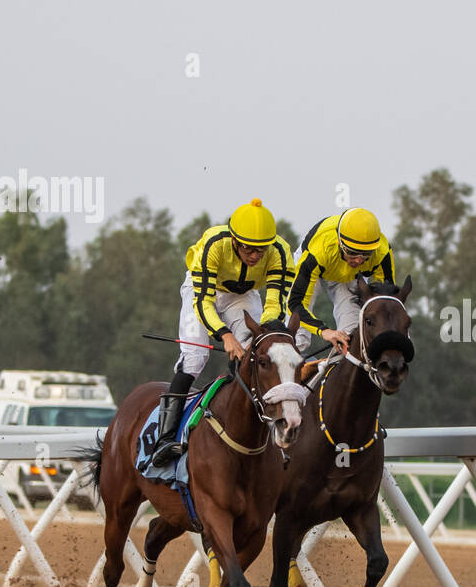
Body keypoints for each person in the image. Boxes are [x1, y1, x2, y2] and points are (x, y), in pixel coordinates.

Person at [148, 198, 295, 467]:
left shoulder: (280, 253)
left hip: (242, 296)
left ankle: (258, 429)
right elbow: (203, 301)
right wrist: (224, 335)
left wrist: (266, 336)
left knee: (255, 351)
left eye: (261, 250)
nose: (255, 256)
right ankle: (165, 438)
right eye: (249, 249)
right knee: (194, 358)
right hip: (203, 291)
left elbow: (275, 304)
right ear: (235, 240)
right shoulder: (214, 244)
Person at [289, 207, 395, 354]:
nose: (358, 260)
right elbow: (294, 303)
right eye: (352, 252)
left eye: (366, 254)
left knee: (350, 339)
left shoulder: (382, 252)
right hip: (321, 264)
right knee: (297, 339)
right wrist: (324, 331)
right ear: (340, 243)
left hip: (350, 276)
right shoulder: (318, 251)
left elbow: (388, 302)